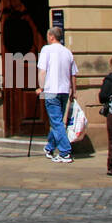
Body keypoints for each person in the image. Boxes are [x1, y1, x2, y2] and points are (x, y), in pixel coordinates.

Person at [36, 27, 78, 164]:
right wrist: (74, 91)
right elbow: (73, 74)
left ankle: (65, 152)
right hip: (64, 90)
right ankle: (49, 147)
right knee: (58, 121)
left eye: (48, 35)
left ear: (51, 36)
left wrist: (41, 87)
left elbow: (42, 71)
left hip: (51, 90)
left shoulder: (46, 50)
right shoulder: (68, 52)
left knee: (57, 122)